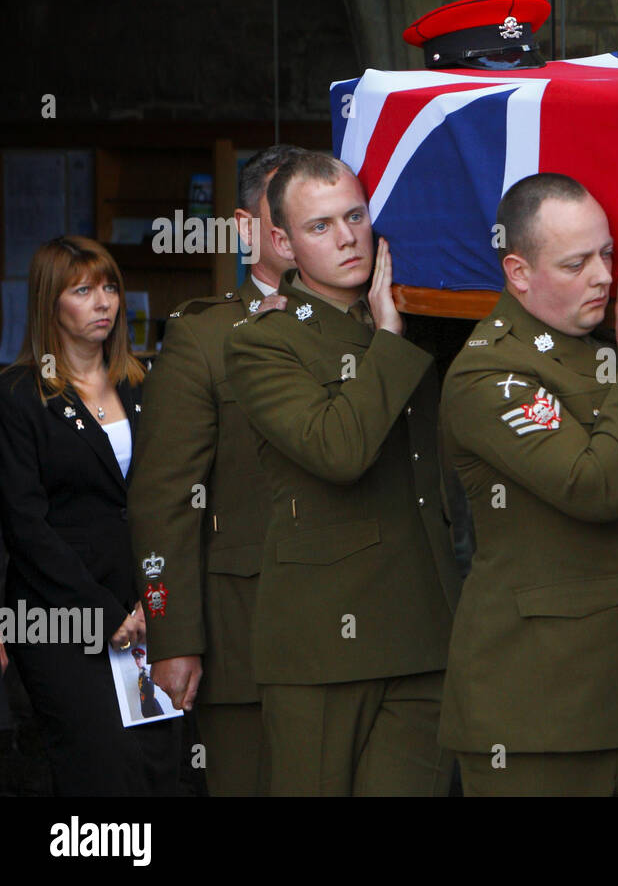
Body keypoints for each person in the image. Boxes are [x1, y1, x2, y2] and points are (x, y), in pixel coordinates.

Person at [438, 173, 618, 796]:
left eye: (607, 254)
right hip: (541, 715)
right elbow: (595, 486)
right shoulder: (489, 371)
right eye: (576, 262)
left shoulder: (607, 344)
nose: (603, 276)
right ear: (519, 272)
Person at [223, 151, 458, 796]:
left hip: (427, 630)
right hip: (324, 643)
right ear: (283, 242)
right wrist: (386, 335)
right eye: (321, 226)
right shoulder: (261, 341)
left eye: (355, 215)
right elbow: (338, 450)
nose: (348, 237)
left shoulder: (424, 317)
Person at [128, 144, 302, 796]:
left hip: (356, 638)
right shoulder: (205, 335)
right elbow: (164, 498)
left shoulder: (374, 324)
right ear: (245, 227)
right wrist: (173, 638)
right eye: (281, 209)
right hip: (243, 635)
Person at [0, 236, 179, 795]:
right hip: (61, 615)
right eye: (83, 290)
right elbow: (25, 524)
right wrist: (103, 612)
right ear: (50, 303)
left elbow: (169, 499)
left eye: (109, 288)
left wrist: (154, 599)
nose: (103, 302)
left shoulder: (143, 382)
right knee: (99, 764)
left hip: (144, 607)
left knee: (160, 766)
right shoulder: (18, 394)